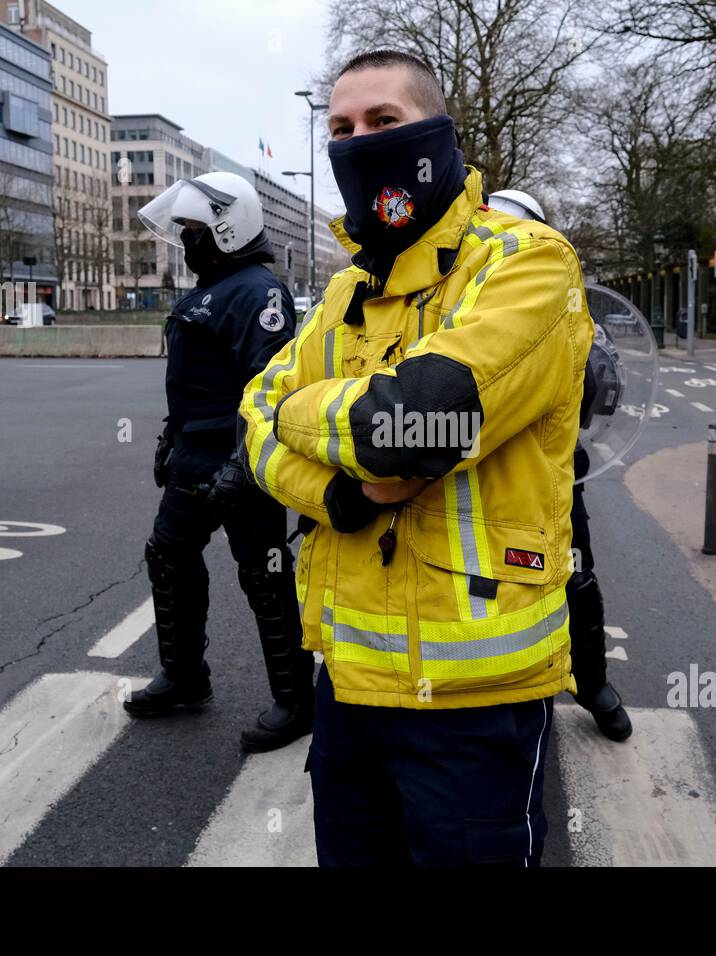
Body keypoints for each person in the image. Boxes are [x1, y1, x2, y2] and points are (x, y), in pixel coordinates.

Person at [241, 49, 594, 866]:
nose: (358, 141)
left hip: (473, 703)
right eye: (340, 128)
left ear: (438, 131)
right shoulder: (341, 294)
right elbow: (251, 419)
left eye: (383, 122)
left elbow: (409, 424)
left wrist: (304, 415)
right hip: (348, 691)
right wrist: (342, 499)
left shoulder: (526, 261)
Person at [123, 171, 314, 755]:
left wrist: (242, 463)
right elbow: (196, 384)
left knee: (265, 576)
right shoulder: (210, 288)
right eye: (183, 229)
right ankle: (185, 676)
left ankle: (296, 700)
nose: (186, 240)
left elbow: (273, 385)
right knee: (168, 557)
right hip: (193, 459)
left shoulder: (259, 291)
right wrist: (169, 436)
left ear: (228, 228)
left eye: (194, 229)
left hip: (244, 466)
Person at [486, 187, 631, 742]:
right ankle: (496, 686)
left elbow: (600, 388)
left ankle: (592, 683)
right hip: (475, 473)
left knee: (575, 576)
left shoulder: (574, 314)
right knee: (483, 583)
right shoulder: (453, 307)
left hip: (551, 473)